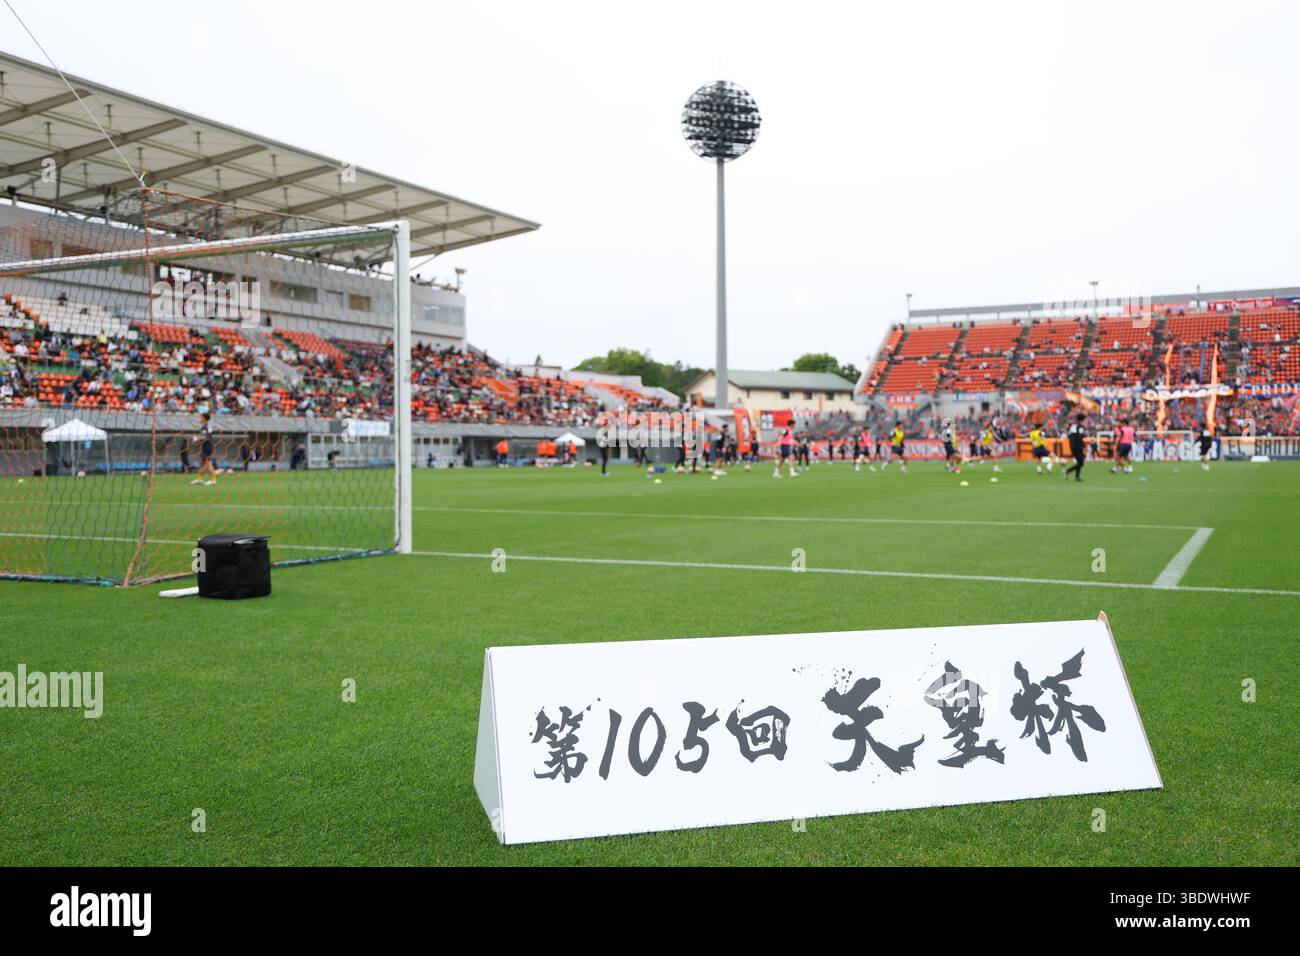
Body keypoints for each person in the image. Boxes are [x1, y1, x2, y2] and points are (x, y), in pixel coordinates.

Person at [190, 414, 218, 486]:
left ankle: (213, 480)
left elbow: (205, 438)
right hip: (206, 446)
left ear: (204, 418)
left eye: (201, 417)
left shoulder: (205, 427)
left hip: (207, 447)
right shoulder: (206, 426)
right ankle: (200, 479)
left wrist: (196, 440)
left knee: (209, 463)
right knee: (203, 464)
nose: (200, 418)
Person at [1064, 413, 1088, 482]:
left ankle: (1077, 477)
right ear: (1082, 419)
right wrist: (1084, 446)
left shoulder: (1073, 426)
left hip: (1072, 445)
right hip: (1077, 446)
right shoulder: (1080, 427)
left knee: (1079, 462)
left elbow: (1069, 436)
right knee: (1081, 462)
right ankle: (1067, 471)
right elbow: (1080, 437)